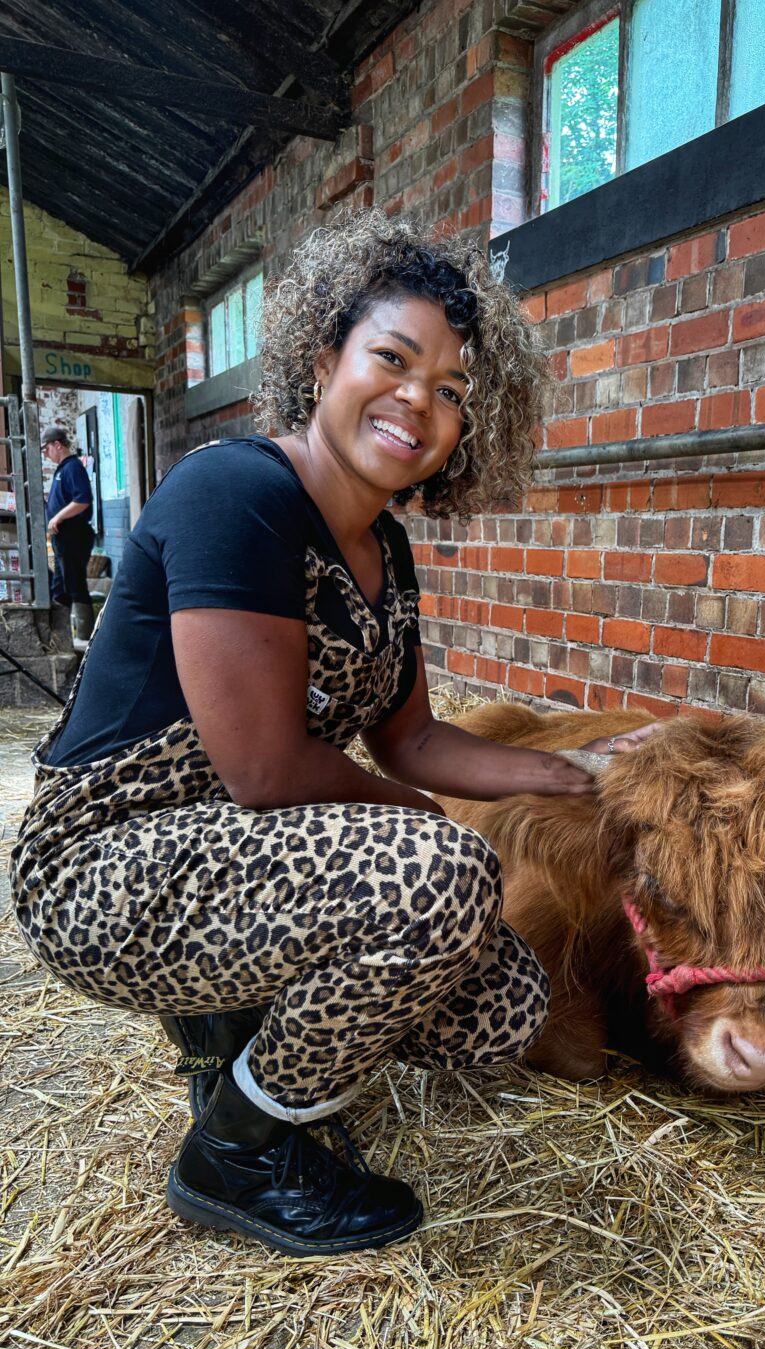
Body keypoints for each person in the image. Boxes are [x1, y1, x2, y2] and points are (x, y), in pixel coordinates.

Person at [10, 215, 649, 1258]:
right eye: (392, 360)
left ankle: (231, 1040)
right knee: (438, 877)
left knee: (503, 1004)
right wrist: (439, 843)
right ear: (323, 360)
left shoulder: (386, 552)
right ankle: (238, 1150)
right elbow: (264, 771)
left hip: (240, 861)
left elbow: (415, 743)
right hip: (105, 866)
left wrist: (578, 772)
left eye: (452, 391)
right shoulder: (238, 493)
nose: (419, 401)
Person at [42, 426, 97, 643]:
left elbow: (82, 500)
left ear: (57, 444)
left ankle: (85, 639)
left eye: (46, 449)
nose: (46, 454)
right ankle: (61, 639)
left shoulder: (73, 467)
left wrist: (57, 518)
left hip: (74, 534)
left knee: (74, 584)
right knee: (59, 587)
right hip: (63, 537)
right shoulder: (62, 470)